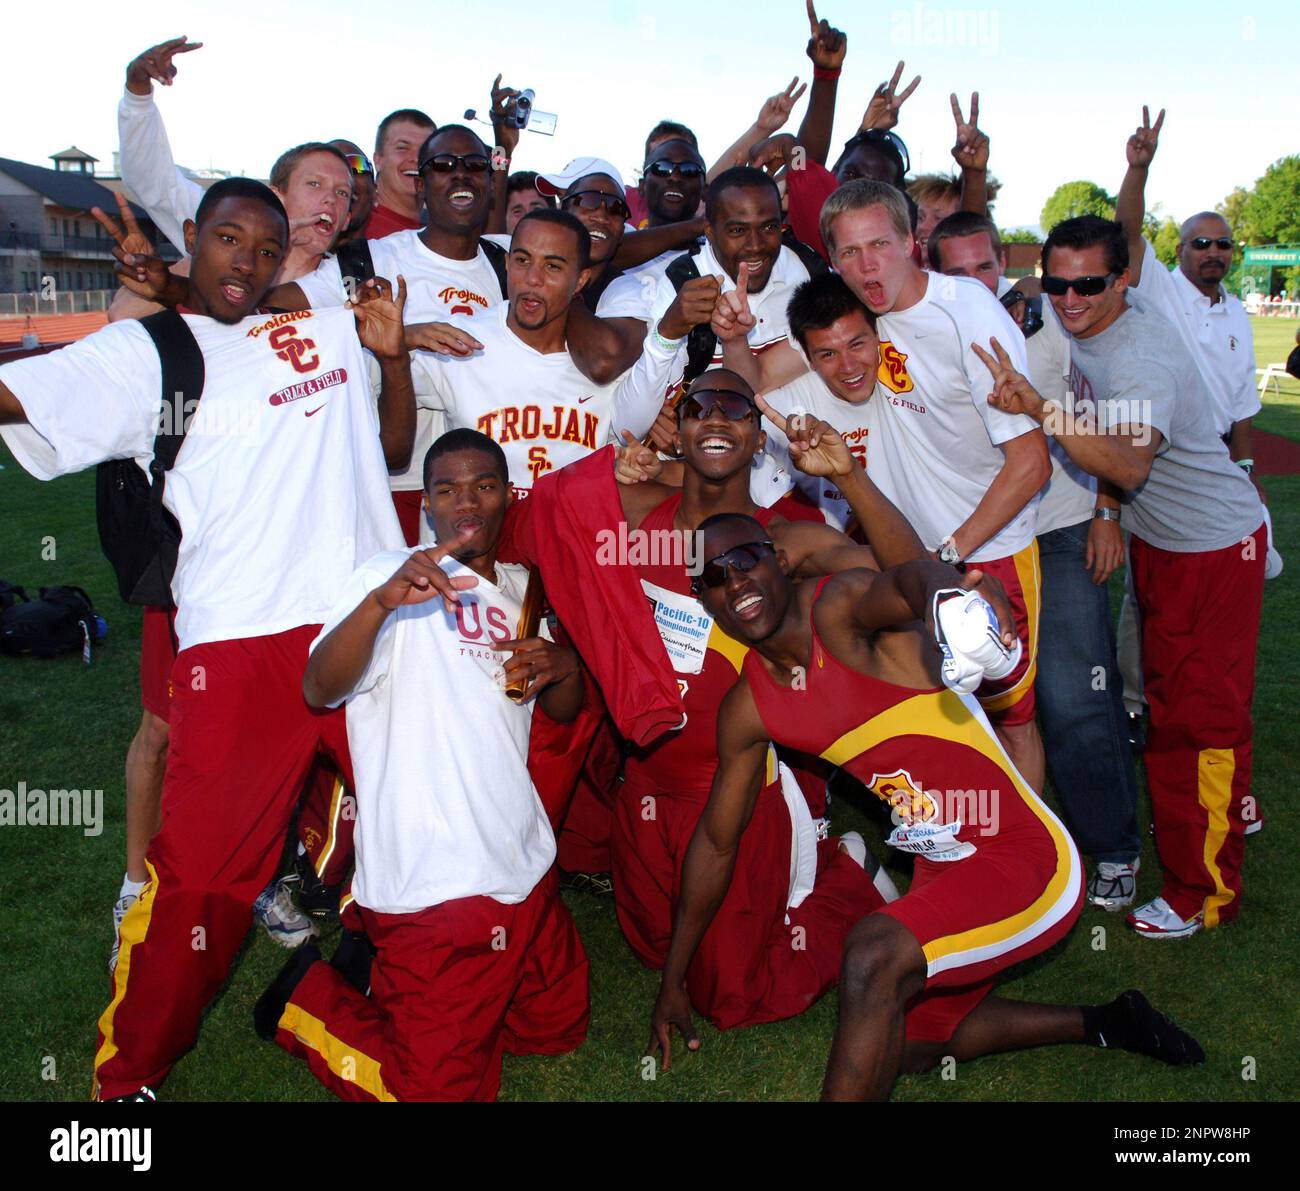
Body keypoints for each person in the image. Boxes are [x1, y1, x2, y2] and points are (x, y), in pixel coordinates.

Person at [0, 178, 415, 1101]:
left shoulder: (333, 313)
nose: (250, 263)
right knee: (203, 879)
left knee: (426, 815)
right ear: (193, 237)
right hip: (240, 638)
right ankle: (128, 1077)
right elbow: (17, 396)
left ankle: (412, 994)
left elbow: (389, 452)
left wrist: (393, 359)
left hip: (368, 612)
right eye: (229, 240)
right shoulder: (149, 350)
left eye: (267, 249)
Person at [649, 513, 1204, 1098]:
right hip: (942, 868)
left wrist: (948, 605)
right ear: (702, 600)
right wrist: (673, 979)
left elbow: (909, 579)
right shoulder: (749, 708)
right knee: (909, 1044)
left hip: (1024, 856)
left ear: (779, 560)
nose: (735, 583)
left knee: (871, 955)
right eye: (713, 577)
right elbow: (716, 843)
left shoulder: (837, 608)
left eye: (745, 560)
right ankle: (1109, 1021)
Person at [255, 430, 589, 1101]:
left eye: (484, 485)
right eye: (446, 489)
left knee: (557, 1030)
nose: (468, 500)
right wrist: (380, 602)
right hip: (432, 892)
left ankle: (418, 996)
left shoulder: (524, 591)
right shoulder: (392, 576)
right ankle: (304, 997)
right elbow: (319, 686)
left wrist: (564, 664)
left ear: (507, 496)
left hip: (523, 871)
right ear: (427, 507)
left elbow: (560, 709)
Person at [606, 368, 926, 1028]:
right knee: (652, 947)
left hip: (735, 779)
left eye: (737, 409)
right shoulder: (632, 509)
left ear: (759, 439)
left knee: (731, 994)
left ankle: (846, 878)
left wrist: (849, 477)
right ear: (679, 423)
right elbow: (541, 518)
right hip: (644, 779)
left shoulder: (785, 540)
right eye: (700, 406)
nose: (717, 419)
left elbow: (910, 582)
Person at [976, 214, 1266, 940]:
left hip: (1207, 547)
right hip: (1168, 543)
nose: (1070, 298)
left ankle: (1204, 890)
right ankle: (1229, 809)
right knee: (1177, 708)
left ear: (1123, 280)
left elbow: (1129, 462)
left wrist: (1040, 409)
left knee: (1197, 721)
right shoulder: (1086, 318)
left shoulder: (1139, 354)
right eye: (1058, 281)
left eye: (1089, 285)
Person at [928, 210, 1142, 910]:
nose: (973, 284)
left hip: (1058, 526)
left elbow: (1111, 425)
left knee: (1075, 694)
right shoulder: (920, 335)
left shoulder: (1057, 328)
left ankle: (1110, 847)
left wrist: (1108, 507)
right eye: (955, 272)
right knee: (979, 701)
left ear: (1007, 266)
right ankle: (1001, 844)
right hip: (981, 541)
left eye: (984, 267)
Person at [820, 179, 1051, 793]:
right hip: (911, 555)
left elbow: (1032, 464)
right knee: (936, 718)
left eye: (879, 244)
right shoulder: (861, 314)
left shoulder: (968, 316)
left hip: (988, 552)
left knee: (1012, 720)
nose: (866, 265)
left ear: (911, 242)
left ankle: (1029, 864)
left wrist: (946, 556)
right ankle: (964, 856)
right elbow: (784, 361)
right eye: (848, 252)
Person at [407, 208, 682, 501]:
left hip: (574, 540)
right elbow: (369, 403)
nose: (532, 279)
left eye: (552, 266)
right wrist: (401, 343)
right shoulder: (459, 341)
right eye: (522, 260)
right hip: (483, 542)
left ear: (580, 280)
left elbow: (638, 434)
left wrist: (649, 431)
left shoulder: (610, 365)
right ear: (506, 264)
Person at [368, 108, 436, 238]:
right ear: (378, 160)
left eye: (425, 150)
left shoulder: (444, 233)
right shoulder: (358, 232)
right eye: (402, 148)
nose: (416, 158)